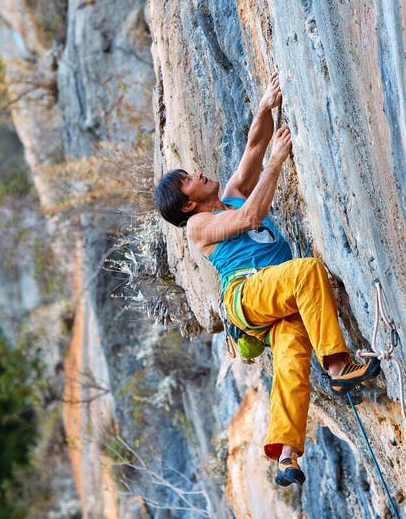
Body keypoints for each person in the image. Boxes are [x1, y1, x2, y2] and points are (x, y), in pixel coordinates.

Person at [153, 73, 379, 486]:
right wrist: (276, 162)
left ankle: (286, 455)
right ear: (187, 204)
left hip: (273, 297)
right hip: (247, 294)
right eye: (190, 179)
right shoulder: (199, 226)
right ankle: (338, 365)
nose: (199, 173)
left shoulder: (233, 192)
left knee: (292, 356)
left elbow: (255, 146)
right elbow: (249, 218)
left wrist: (264, 106)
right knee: (306, 271)